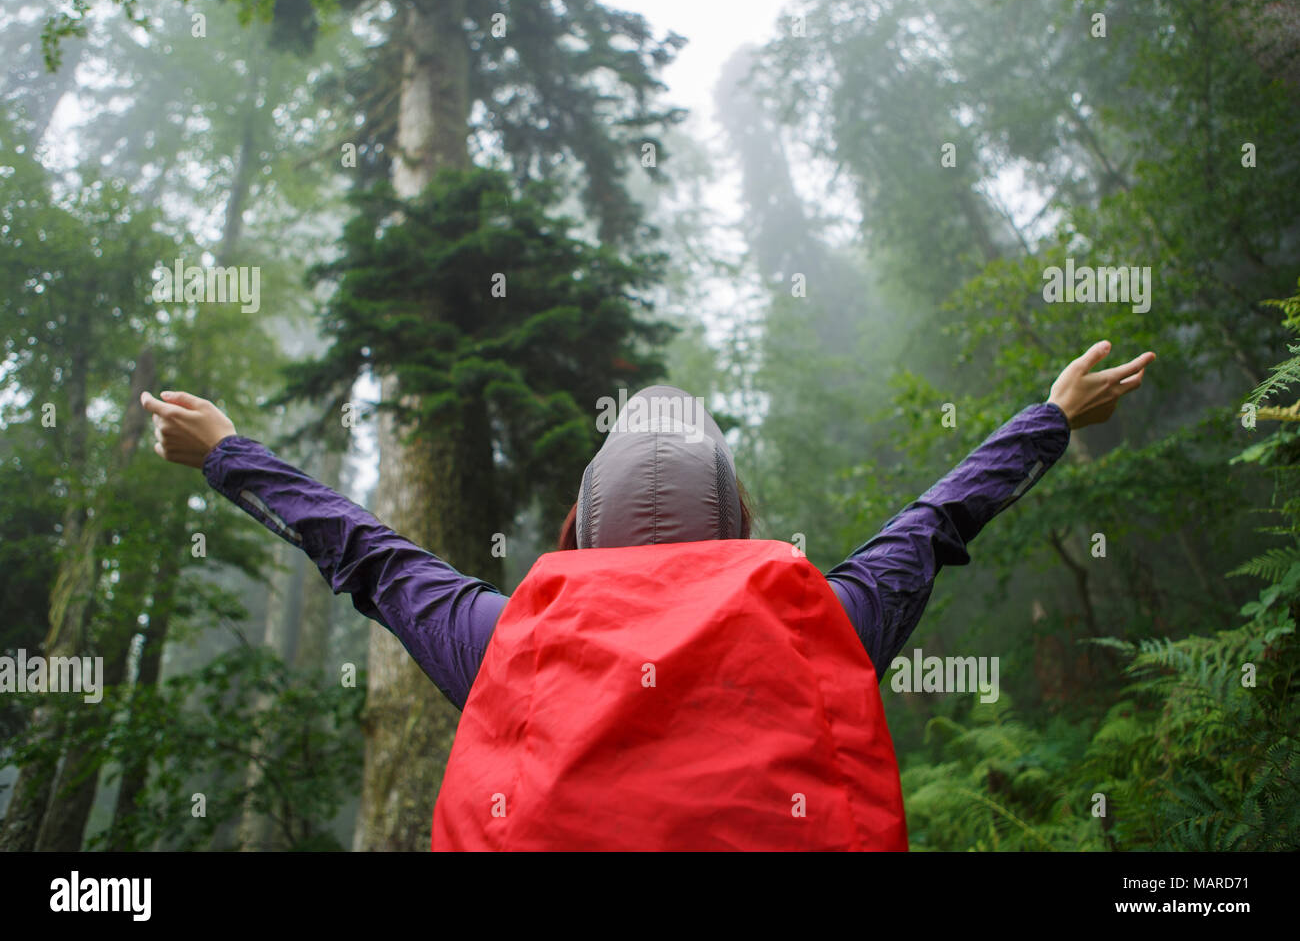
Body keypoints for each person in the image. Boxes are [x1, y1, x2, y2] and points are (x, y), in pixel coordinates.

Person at [143, 339, 1154, 850]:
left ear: (579, 525)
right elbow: (934, 523)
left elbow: (361, 551)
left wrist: (226, 451)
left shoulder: (511, 646)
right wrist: (1051, 417)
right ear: (740, 518)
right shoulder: (818, 628)